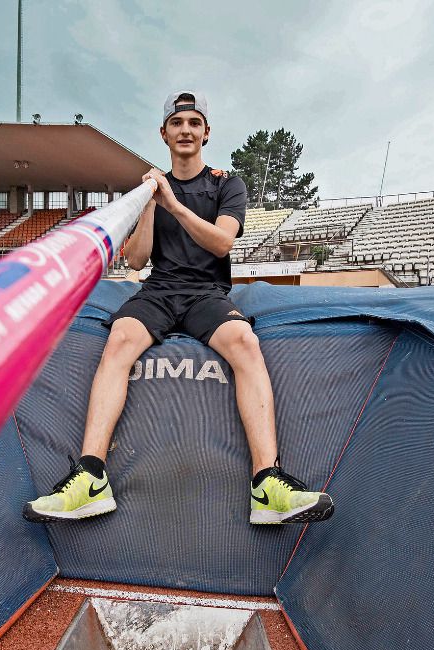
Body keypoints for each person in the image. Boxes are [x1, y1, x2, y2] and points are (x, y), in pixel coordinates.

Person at [23, 91, 333, 525]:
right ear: (163, 133)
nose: (185, 130)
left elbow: (223, 242)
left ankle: (266, 484)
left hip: (207, 293)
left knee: (244, 341)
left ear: (206, 132)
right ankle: (91, 479)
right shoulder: (152, 189)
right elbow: (134, 260)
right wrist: (151, 201)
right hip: (159, 291)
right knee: (120, 339)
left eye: (193, 122)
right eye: (177, 123)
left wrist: (175, 204)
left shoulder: (227, 184)